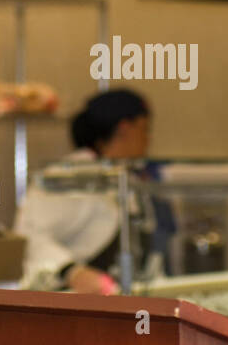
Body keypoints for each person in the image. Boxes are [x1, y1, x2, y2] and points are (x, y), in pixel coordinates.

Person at [15, 89, 153, 294]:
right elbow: (28, 235)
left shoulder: (122, 175)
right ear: (125, 129)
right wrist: (71, 272)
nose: (147, 139)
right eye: (144, 129)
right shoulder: (71, 177)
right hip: (72, 302)